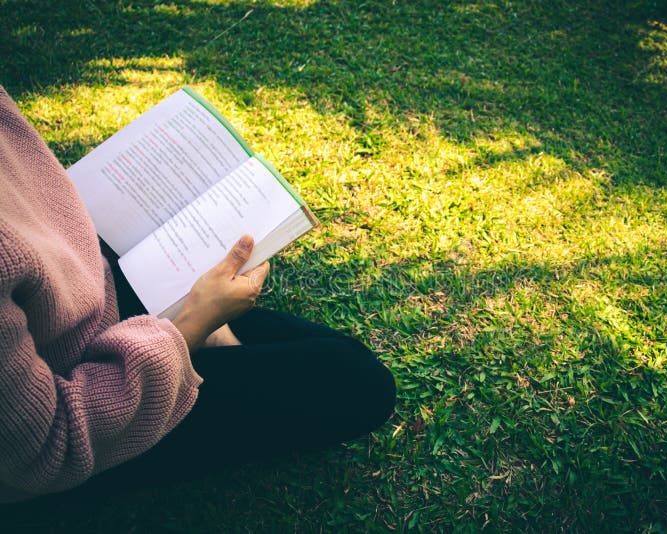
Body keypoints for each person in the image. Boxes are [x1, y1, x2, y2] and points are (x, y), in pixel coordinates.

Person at [0, 86, 396, 503]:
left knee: (328, 358)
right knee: (356, 381)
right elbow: (46, 445)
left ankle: (209, 338)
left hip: (88, 284)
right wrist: (192, 325)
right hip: (92, 396)